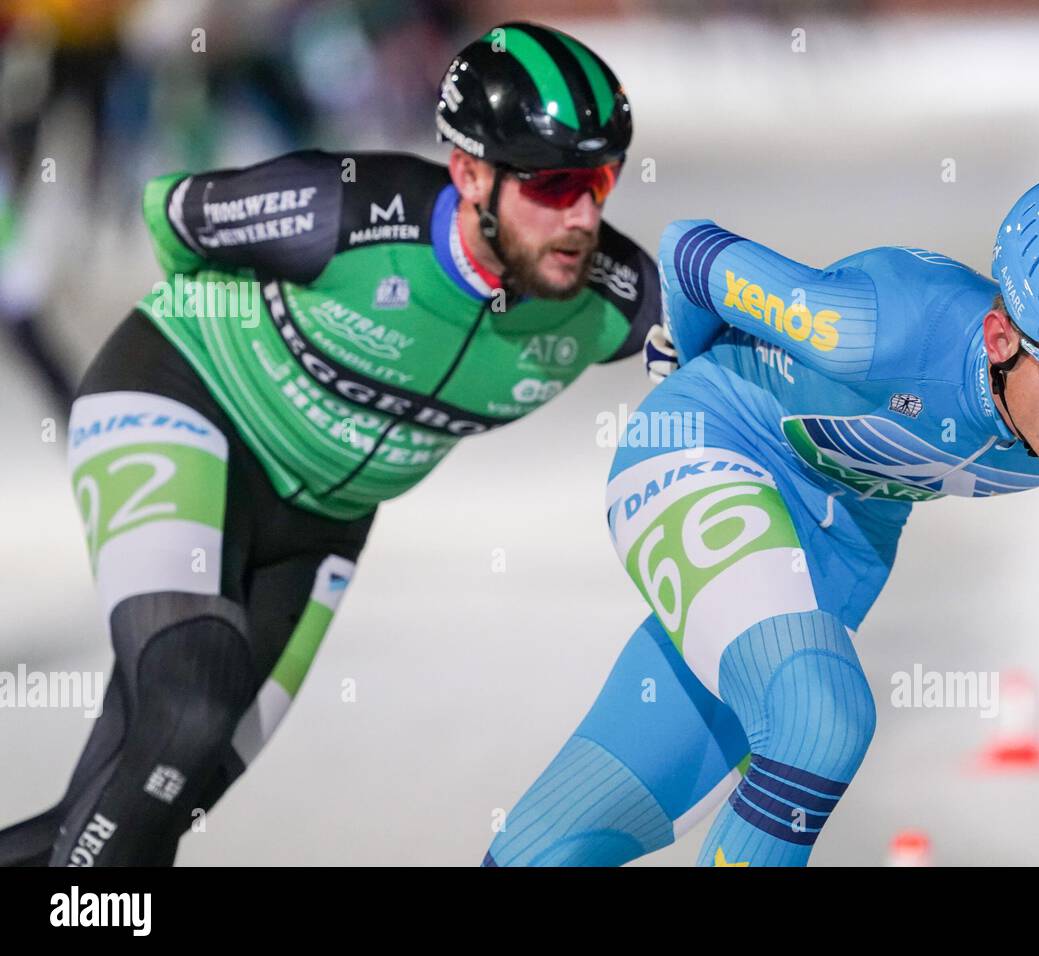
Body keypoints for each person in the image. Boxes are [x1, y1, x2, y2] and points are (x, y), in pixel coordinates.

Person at [0, 21, 658, 866]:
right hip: (189, 407)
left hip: (323, 521)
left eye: (601, 178)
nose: (584, 215)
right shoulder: (344, 210)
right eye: (556, 182)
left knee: (152, 799)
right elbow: (173, 217)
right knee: (189, 706)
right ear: (468, 172)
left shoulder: (607, 296)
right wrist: (254, 355)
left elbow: (757, 326)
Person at [485, 174, 1039, 867]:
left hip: (830, 555)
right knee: (818, 720)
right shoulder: (877, 329)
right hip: (714, 450)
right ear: (1000, 337)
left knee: (555, 845)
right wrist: (686, 365)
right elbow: (690, 250)